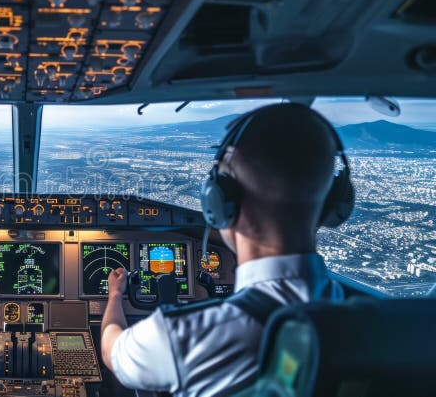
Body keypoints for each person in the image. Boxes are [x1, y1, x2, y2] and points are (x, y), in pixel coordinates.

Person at [100, 103, 350, 396]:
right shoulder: (379, 325)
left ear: (219, 204)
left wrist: (115, 294)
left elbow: (111, 351)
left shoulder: (184, 335)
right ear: (334, 204)